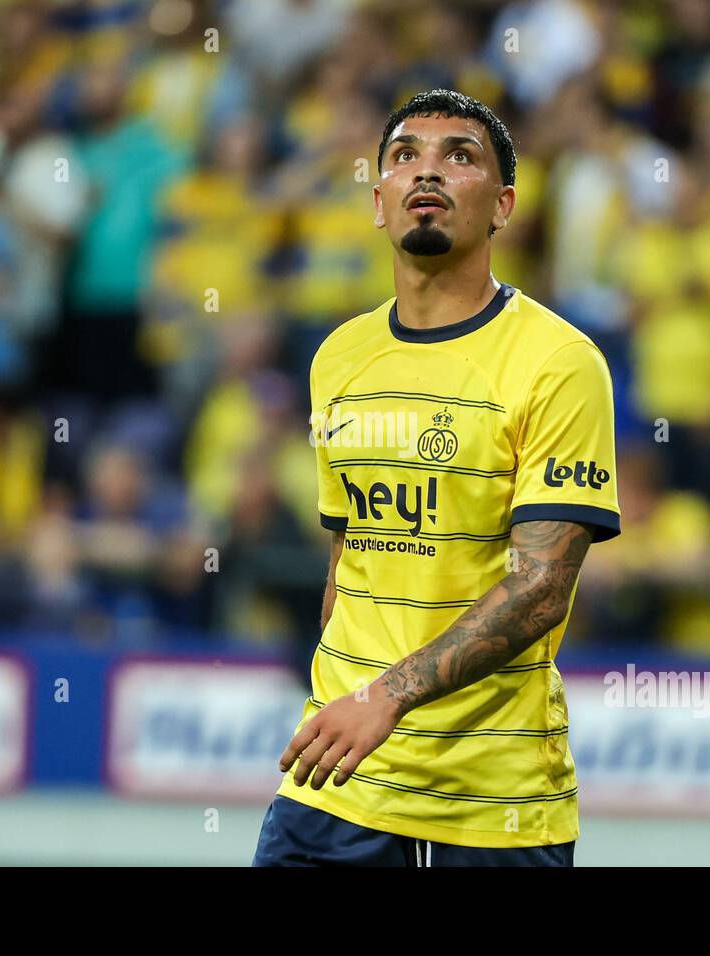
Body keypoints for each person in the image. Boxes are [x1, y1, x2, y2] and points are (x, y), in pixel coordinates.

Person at [252, 90, 622, 866]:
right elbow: (349, 556)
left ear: (503, 205)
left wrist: (382, 699)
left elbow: (540, 589)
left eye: (460, 156)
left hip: (485, 810)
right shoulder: (338, 359)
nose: (428, 171)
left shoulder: (560, 363)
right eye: (403, 156)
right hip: (332, 788)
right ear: (379, 203)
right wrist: (342, 706)